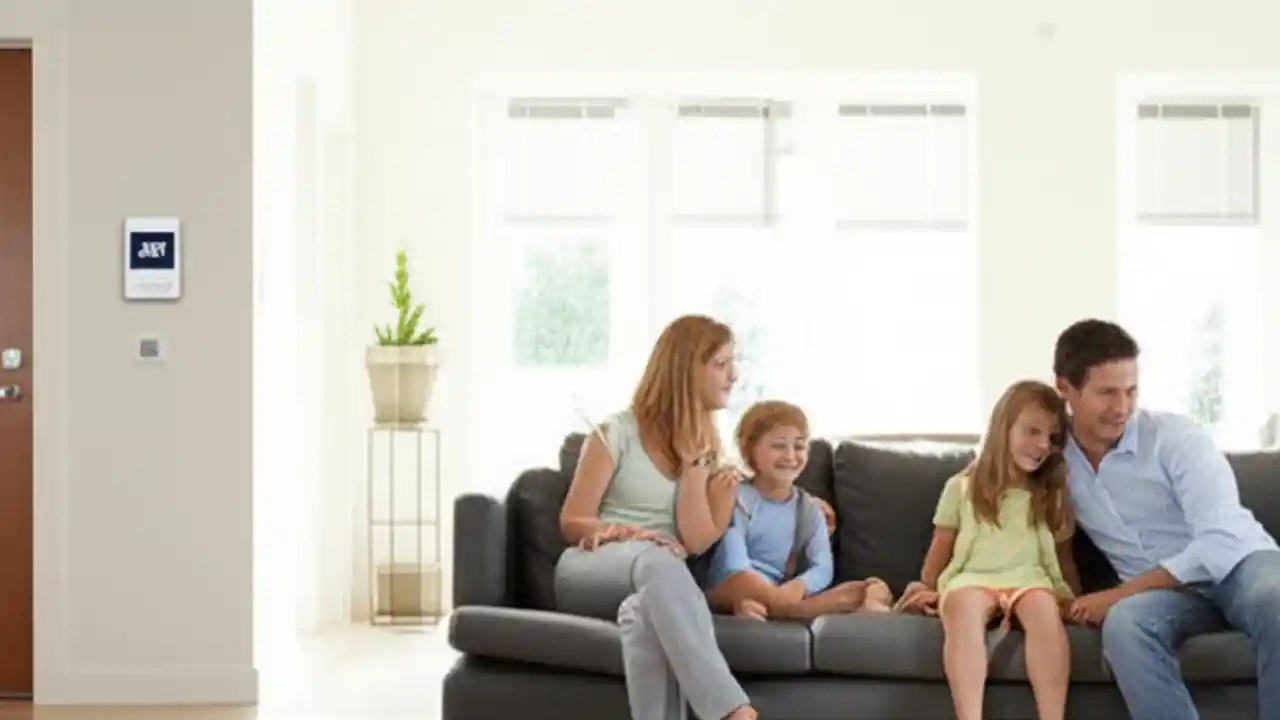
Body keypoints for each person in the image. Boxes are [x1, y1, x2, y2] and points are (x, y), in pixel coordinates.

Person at [1054, 319, 1280, 720]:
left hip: (1239, 567)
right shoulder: (1052, 460)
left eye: (1131, 390)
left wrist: (1116, 595)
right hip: (1168, 596)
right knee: (1125, 626)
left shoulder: (1176, 438)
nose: (1121, 408)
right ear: (1065, 389)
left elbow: (1218, 541)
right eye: (1106, 392)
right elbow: (987, 478)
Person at [555, 314, 755, 720]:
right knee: (657, 559)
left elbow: (694, 542)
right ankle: (733, 712)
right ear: (685, 370)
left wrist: (696, 468)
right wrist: (626, 533)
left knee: (642, 613)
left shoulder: (710, 453)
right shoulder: (615, 433)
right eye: (720, 364)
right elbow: (573, 520)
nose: (733, 375)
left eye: (733, 362)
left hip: (660, 580)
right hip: (594, 565)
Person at [897, 380, 1080, 720]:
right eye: (1032, 431)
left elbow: (1062, 559)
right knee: (962, 607)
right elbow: (940, 550)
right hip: (971, 577)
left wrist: (1073, 597)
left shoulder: (1050, 493)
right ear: (1002, 427)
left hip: (1030, 578)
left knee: (1043, 609)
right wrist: (925, 586)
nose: (1042, 445)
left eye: (1052, 438)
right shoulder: (961, 487)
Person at [703, 400, 893, 621]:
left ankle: (773, 607)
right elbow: (732, 563)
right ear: (750, 450)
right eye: (779, 445)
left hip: (781, 590)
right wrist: (767, 595)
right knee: (743, 579)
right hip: (732, 585)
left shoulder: (810, 510)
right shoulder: (735, 497)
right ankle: (791, 611)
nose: (790, 455)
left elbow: (822, 567)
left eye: (799, 446)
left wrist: (799, 585)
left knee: (871, 586)